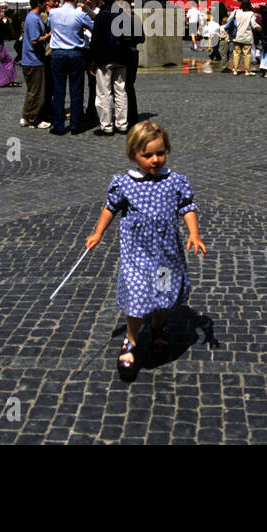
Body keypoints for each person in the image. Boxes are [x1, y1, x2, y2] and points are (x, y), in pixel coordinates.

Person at [84, 120, 206, 375]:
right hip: (137, 254)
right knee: (138, 298)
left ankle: (158, 328)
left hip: (165, 254)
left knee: (162, 295)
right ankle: (131, 339)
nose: (154, 160)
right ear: (133, 155)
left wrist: (193, 233)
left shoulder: (175, 181)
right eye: (147, 155)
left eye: (160, 153)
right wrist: (97, 233)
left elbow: (187, 207)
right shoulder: (124, 184)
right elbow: (110, 208)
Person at [48, 0, 95, 135]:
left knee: (58, 91)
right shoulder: (79, 14)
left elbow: (50, 27)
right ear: (76, 0)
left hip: (57, 53)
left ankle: (59, 126)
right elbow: (94, 27)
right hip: (75, 53)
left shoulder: (53, 13)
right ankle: (75, 125)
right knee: (76, 90)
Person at [89, 0, 131, 134]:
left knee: (104, 93)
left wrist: (92, 62)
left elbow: (96, 40)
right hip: (121, 58)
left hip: (104, 59)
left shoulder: (102, 15)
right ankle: (122, 124)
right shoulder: (122, 13)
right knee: (121, 91)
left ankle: (106, 125)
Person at [19, 0, 52, 128]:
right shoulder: (33, 18)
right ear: (39, 3)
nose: (46, 5)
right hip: (34, 60)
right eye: (45, 2)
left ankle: (26, 116)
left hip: (30, 59)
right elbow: (35, 40)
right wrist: (49, 35)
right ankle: (35, 119)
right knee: (38, 92)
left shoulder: (32, 17)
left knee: (32, 90)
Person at [229, 0, 257, 75]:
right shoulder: (251, 14)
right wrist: (259, 27)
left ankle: (235, 70)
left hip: (237, 36)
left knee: (236, 53)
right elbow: (254, 25)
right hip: (247, 36)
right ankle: (247, 71)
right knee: (247, 54)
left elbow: (229, 20)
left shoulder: (236, 12)